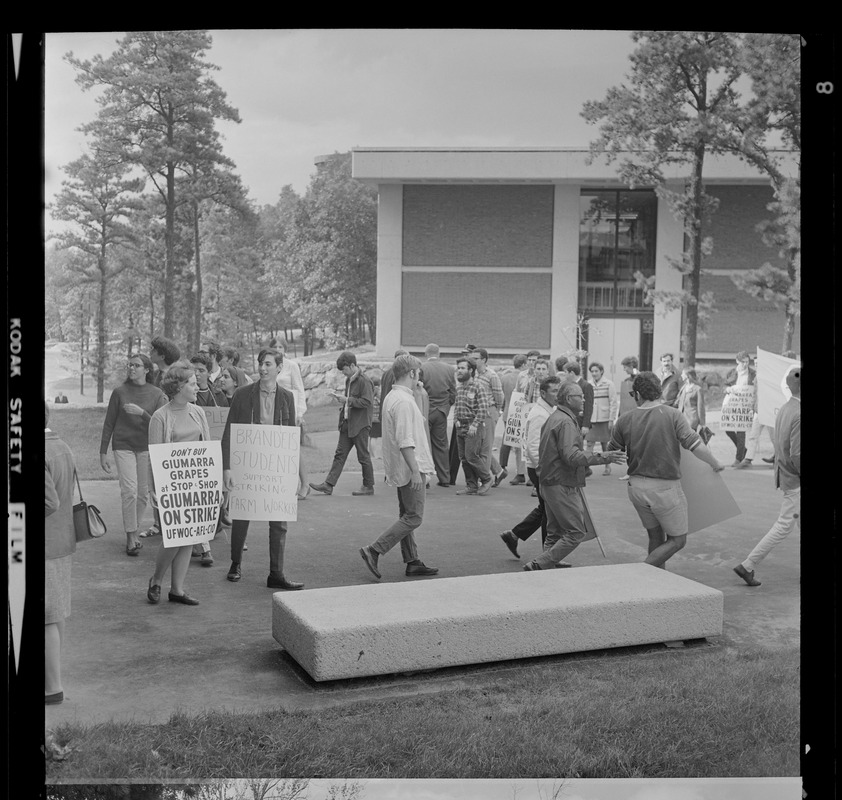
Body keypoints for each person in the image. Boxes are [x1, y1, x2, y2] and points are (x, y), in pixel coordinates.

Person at [608, 372, 724, 569]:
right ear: (658, 391)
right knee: (678, 540)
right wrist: (715, 463)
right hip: (664, 489)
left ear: (638, 394)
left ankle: (655, 580)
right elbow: (695, 445)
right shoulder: (672, 415)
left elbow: (612, 452)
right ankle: (641, 573)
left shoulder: (625, 420)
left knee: (655, 536)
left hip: (636, 487)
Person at [522, 382, 626, 571]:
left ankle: (547, 562)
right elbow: (572, 456)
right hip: (560, 482)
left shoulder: (556, 417)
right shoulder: (565, 422)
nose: (584, 399)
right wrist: (604, 456)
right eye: (580, 396)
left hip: (550, 480)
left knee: (555, 531)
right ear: (570, 399)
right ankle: (541, 563)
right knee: (576, 531)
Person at [222, 348, 303, 589]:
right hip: (247, 463)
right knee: (242, 514)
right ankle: (235, 563)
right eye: (260, 363)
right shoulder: (242, 395)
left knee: (279, 519)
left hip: (276, 467)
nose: (262, 368)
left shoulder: (287, 397)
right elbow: (229, 432)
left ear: (279, 368)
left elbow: (291, 438)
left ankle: (276, 573)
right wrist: (227, 468)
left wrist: (295, 474)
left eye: (268, 364)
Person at [359, 355, 439, 580]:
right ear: (412, 373)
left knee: (406, 514)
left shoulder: (394, 397)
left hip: (401, 466)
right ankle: (375, 549)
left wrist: (418, 394)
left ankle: (412, 560)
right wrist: (415, 471)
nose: (419, 377)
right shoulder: (403, 402)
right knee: (414, 517)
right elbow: (405, 439)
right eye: (418, 373)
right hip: (410, 466)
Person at [146, 362, 212, 605]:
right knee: (174, 537)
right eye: (192, 383)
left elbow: (207, 449)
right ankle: (156, 579)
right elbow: (154, 457)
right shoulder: (160, 417)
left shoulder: (198, 412)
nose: (197, 387)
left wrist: (212, 484)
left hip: (196, 483)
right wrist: (153, 488)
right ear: (178, 387)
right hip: (171, 485)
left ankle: (177, 590)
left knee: (189, 535)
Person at [734, 367, 801, 587]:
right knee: (784, 525)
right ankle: (747, 565)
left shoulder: (785, 408)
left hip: (786, 475)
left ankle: (748, 565)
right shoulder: (798, 412)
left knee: (789, 524)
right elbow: (797, 454)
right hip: (795, 479)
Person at [99, 353, 167, 556]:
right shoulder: (119, 392)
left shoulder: (157, 393)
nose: (131, 368)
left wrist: (141, 413)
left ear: (147, 369)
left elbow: (160, 424)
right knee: (129, 490)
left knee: (143, 493)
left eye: (136, 365)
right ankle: (131, 536)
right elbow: (109, 422)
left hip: (146, 447)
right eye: (130, 365)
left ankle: (134, 529)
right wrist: (103, 452)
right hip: (123, 445)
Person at [499, 375, 561, 559]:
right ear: (543, 393)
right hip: (540, 468)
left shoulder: (548, 410)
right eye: (554, 391)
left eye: (559, 390)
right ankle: (548, 555)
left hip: (541, 467)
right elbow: (533, 447)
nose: (558, 394)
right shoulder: (540, 414)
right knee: (550, 511)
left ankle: (514, 535)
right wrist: (545, 470)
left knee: (546, 508)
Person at [310, 351, 375, 497]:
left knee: (363, 456)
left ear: (352, 365)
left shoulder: (364, 381)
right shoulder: (349, 380)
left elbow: (367, 402)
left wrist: (347, 400)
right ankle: (328, 485)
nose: (343, 373)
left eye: (344, 369)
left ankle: (368, 486)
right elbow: (351, 401)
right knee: (340, 455)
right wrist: (343, 401)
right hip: (347, 423)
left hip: (360, 425)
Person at [45, 402, 77, 705]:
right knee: (55, 615)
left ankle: (51, 687)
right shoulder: (61, 445)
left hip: (45, 545)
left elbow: (49, 502)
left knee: (45, 618)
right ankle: (51, 678)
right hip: (62, 540)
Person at [273, 341, 310, 500]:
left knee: (294, 449)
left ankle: (305, 484)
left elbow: (299, 390)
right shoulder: (271, 366)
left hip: (290, 411)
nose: (277, 349)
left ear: (285, 349)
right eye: (274, 347)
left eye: (280, 347)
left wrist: (300, 413)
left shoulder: (291, 366)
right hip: (274, 411)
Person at [453, 356, 494, 495]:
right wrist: (455, 420)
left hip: (473, 426)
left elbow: (483, 408)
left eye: (462, 368)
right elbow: (457, 406)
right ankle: (471, 486)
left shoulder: (478, 387)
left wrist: (475, 425)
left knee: (471, 456)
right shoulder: (459, 387)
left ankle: (487, 479)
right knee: (464, 458)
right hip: (461, 426)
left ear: (470, 370)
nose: (459, 371)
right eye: (458, 368)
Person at [421, 343, 457, 487]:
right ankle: (444, 478)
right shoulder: (449, 369)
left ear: (426, 354)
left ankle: (425, 477)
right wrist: (447, 406)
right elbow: (453, 391)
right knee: (441, 444)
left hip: (425, 410)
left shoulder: (421, 368)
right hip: (441, 410)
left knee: (424, 444)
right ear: (439, 353)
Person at [468, 347, 505, 485]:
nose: (473, 360)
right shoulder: (473, 374)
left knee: (485, 447)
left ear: (484, 360)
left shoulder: (492, 376)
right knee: (477, 447)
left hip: (489, 411)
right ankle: (498, 471)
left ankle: (484, 479)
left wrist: (495, 410)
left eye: (476, 358)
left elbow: (499, 396)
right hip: (476, 412)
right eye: (472, 358)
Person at [498, 354, 528, 486]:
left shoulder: (504, 377)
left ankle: (502, 465)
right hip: (522, 413)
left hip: (508, 413)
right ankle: (521, 472)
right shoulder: (525, 377)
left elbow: (501, 396)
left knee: (508, 439)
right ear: (524, 364)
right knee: (521, 444)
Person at [723, 350, 756, 467]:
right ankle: (743, 450)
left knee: (741, 431)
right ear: (737, 361)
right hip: (732, 404)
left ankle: (738, 458)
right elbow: (725, 385)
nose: (745, 364)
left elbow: (756, 388)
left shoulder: (753, 373)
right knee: (728, 429)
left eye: (747, 362)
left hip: (745, 405)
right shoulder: (732, 372)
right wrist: (727, 389)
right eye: (743, 362)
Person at [587, 361, 618, 476]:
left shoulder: (609, 384)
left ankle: (607, 466)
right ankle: (586, 467)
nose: (594, 373)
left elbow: (613, 403)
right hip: (592, 419)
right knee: (589, 443)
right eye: (592, 371)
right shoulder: (588, 384)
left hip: (604, 419)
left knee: (605, 444)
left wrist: (611, 419)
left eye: (596, 371)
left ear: (601, 372)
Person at [559, 360, 594, 435]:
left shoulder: (586, 386)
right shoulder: (566, 384)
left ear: (571, 373)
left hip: (580, 422)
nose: (564, 375)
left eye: (565, 372)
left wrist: (586, 425)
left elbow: (588, 407)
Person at [676, 367, 706, 432]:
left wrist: (702, 423)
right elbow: (678, 402)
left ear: (687, 376)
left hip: (692, 420)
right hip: (682, 419)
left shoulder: (698, 389)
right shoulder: (684, 387)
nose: (681, 375)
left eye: (683, 374)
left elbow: (700, 407)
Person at [369, 375, 383, 461]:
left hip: (370, 418)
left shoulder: (369, 394)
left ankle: (372, 454)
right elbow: (382, 403)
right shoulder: (377, 395)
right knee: (376, 437)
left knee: (372, 437)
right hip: (377, 419)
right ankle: (376, 454)